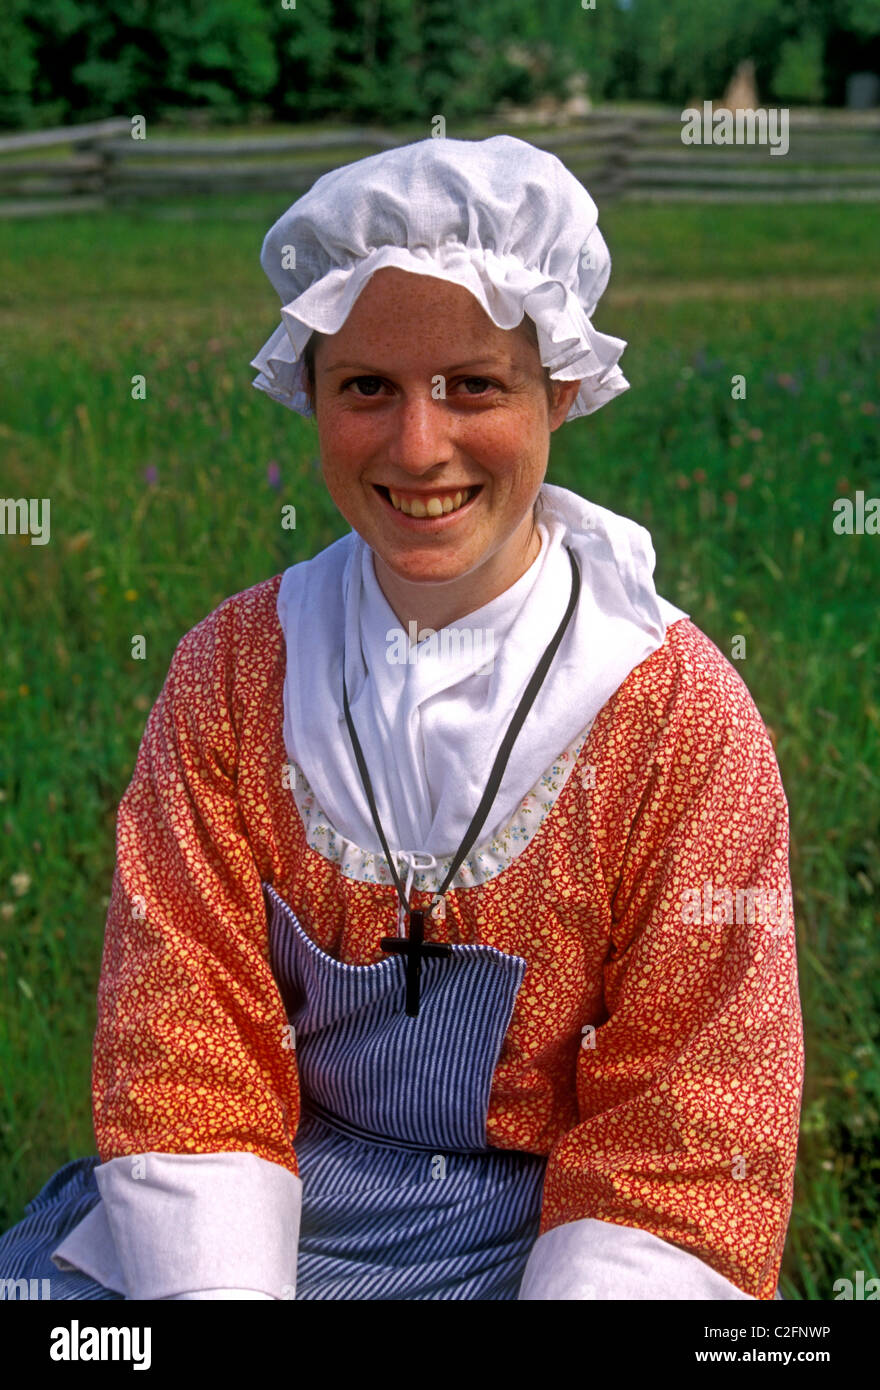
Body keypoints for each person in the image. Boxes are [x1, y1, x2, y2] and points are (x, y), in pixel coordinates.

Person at [0, 134, 803, 1301]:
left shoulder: (673, 715)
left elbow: (681, 1124)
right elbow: (187, 1040)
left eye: (473, 384)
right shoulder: (235, 672)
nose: (418, 445)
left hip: (550, 1232)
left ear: (560, 388)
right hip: (261, 1191)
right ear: (309, 390)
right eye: (366, 385)